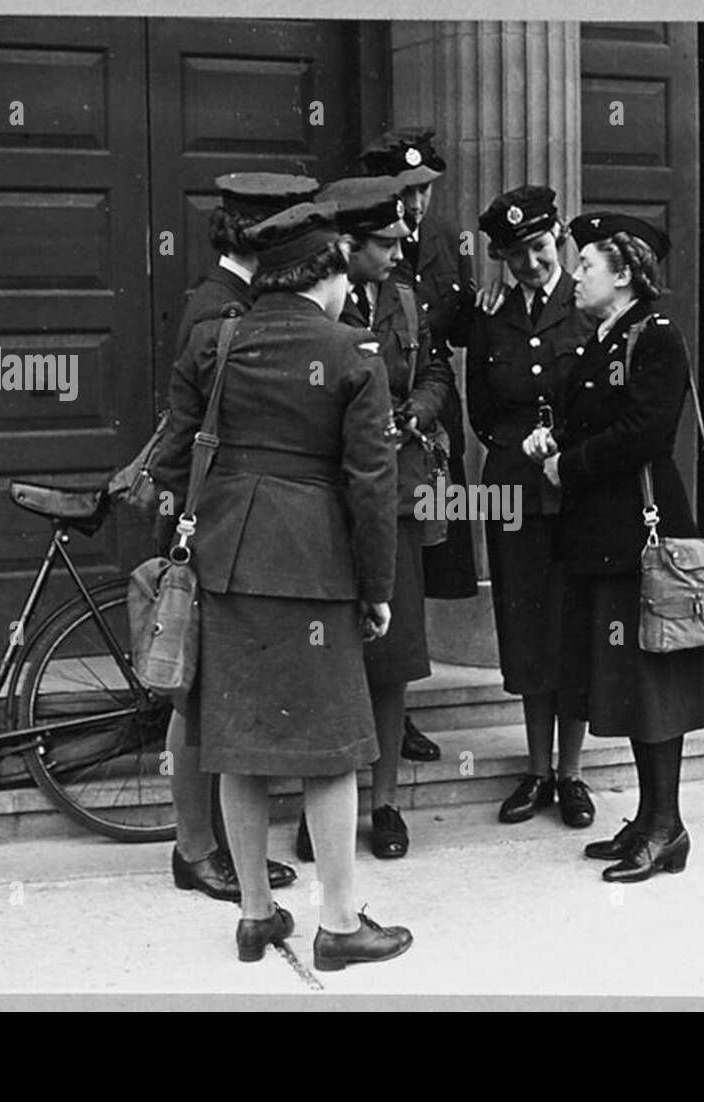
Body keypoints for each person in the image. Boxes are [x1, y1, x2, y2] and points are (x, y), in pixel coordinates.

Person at [164, 200, 412, 969]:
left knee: (237, 744)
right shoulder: (352, 352)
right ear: (328, 273)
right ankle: (338, 923)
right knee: (330, 748)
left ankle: (255, 914)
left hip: (229, 562)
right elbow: (371, 486)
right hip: (313, 567)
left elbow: (176, 450)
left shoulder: (217, 341)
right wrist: (378, 588)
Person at [526, 212, 704, 883]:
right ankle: (649, 820)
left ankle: (666, 827)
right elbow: (594, 419)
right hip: (607, 536)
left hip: (644, 535)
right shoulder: (606, 337)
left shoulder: (656, 335)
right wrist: (554, 443)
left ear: (627, 273)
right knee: (635, 684)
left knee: (654, 681)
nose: (574, 274)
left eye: (587, 265)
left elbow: (645, 433)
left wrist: (567, 466)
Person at [160, 173, 316, 901]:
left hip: (221, 517)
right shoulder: (216, 309)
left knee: (209, 689)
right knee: (195, 694)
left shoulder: (230, 300)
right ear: (262, 236)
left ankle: (215, 844)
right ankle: (196, 850)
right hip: (210, 520)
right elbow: (195, 428)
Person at [296, 175, 454, 862]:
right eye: (385, 242)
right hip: (328, 503)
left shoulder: (409, 302)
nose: (399, 250)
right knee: (328, 660)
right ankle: (322, 804)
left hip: (393, 499)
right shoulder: (313, 307)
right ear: (349, 245)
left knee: (389, 663)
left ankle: (384, 802)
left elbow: (439, 375)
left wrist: (414, 413)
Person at [469, 185, 596, 828]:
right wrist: (516, 445)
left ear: (561, 241)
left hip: (576, 489)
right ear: (501, 260)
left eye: (541, 249)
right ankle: (536, 769)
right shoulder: (493, 315)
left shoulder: (588, 304)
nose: (532, 265)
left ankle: (571, 773)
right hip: (514, 490)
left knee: (572, 625)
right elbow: (481, 412)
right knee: (525, 626)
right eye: (516, 257)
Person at [360, 128, 478, 765]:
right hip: (374, 440)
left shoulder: (442, 241)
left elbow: (450, 336)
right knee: (383, 577)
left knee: (418, 573)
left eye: (426, 190)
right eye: (407, 192)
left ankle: (399, 713)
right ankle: (380, 721)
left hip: (424, 435)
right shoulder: (359, 240)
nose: (418, 205)